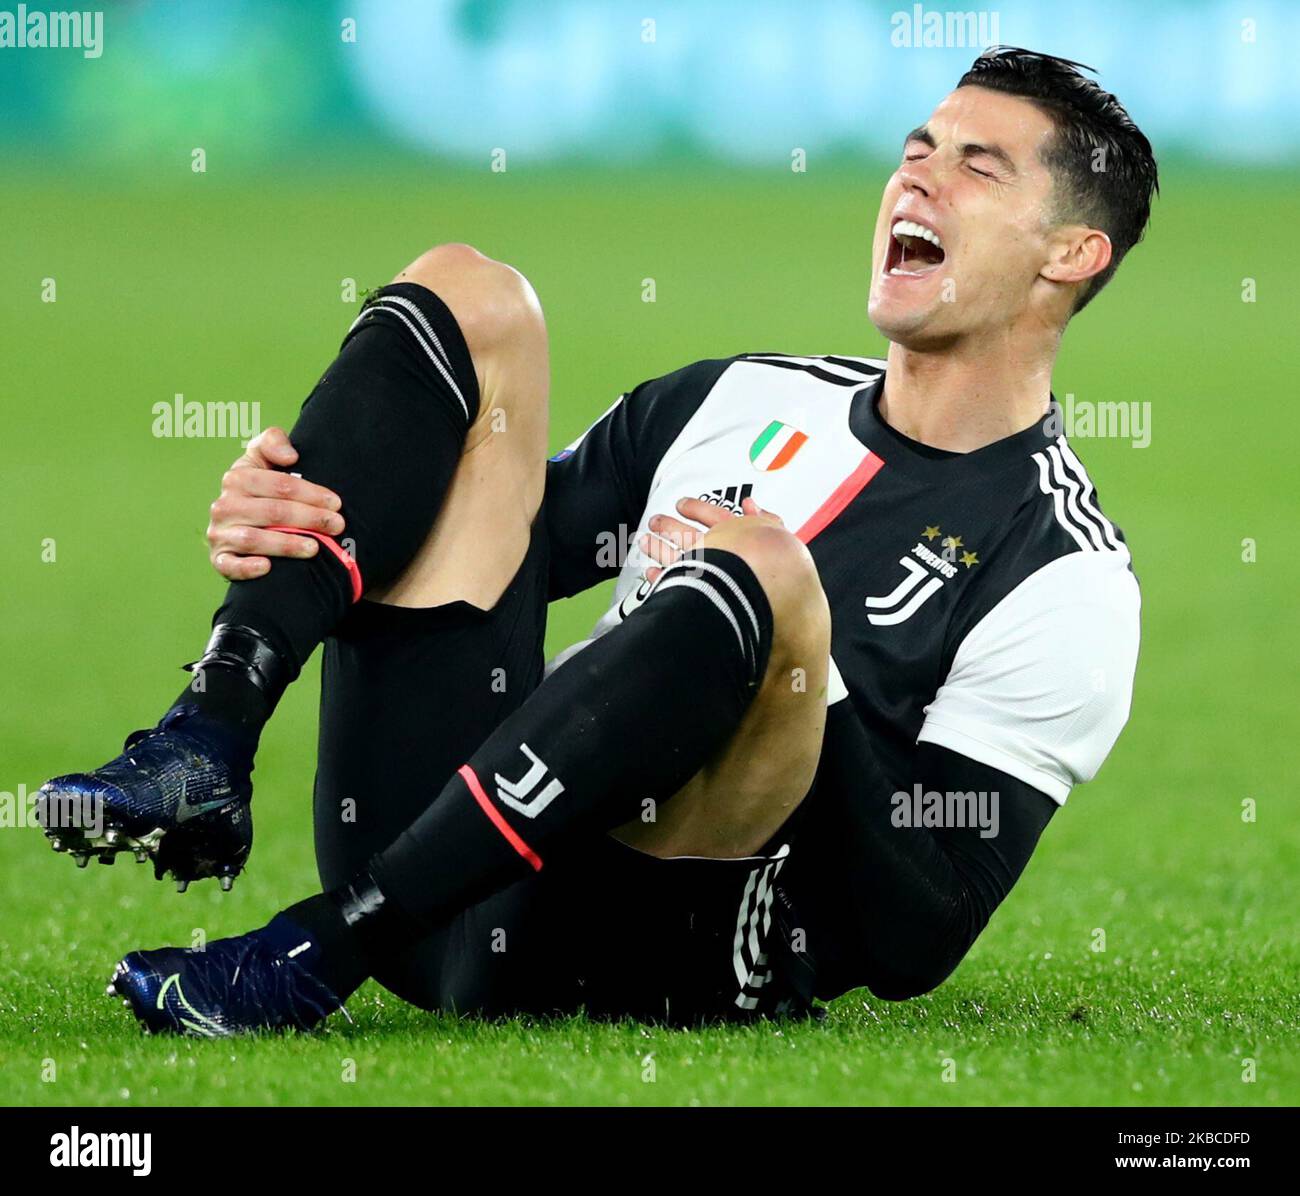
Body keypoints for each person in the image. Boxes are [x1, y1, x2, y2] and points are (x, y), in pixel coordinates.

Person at [43, 47, 1154, 1033]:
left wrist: (790, 663)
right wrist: (294, 505)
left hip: (651, 946)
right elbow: (463, 530)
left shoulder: (1065, 571)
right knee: (471, 294)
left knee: (765, 570)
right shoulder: (742, 395)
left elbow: (920, 936)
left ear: (1071, 254)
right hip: (461, 878)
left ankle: (319, 946)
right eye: (918, 148)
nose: (917, 176)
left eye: (977, 165)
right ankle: (204, 736)